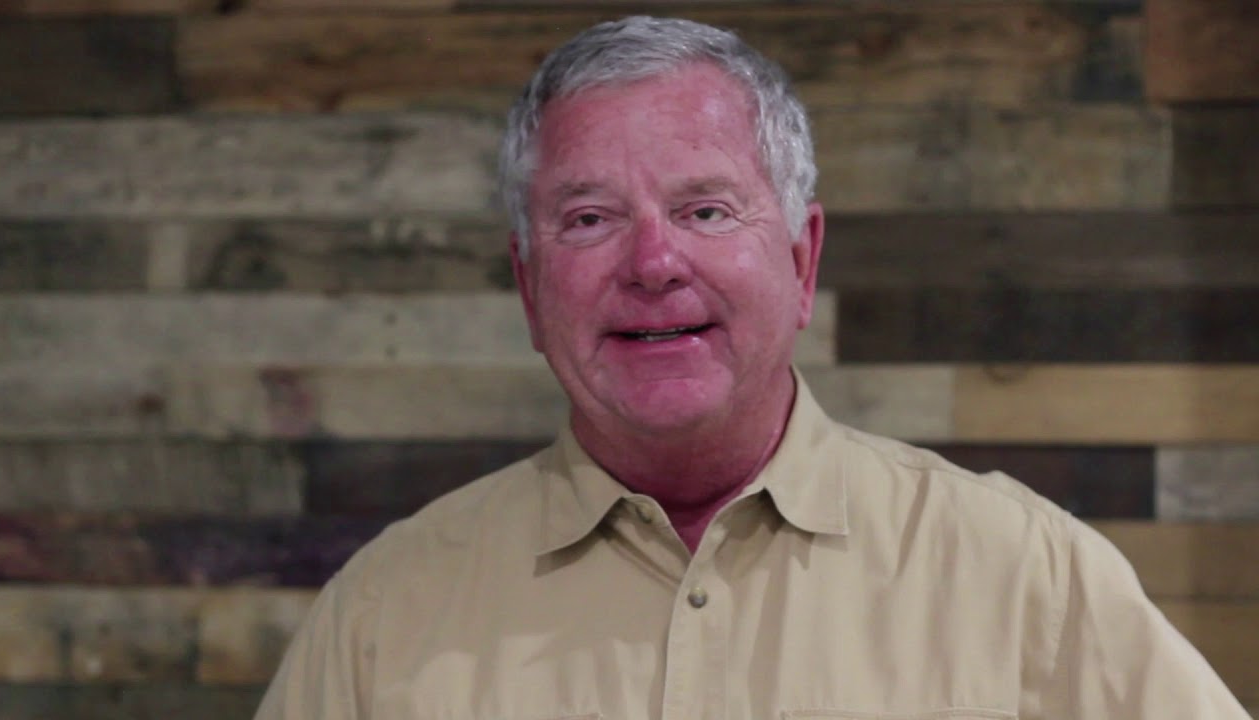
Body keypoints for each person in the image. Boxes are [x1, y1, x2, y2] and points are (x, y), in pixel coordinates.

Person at [254, 16, 1249, 720]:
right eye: (589, 219)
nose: (651, 263)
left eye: (705, 210)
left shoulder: (1023, 573)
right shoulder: (383, 618)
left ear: (801, 257)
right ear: (528, 285)